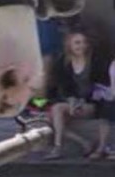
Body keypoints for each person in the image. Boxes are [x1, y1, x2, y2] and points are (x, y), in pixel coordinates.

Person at [45, 29, 112, 159]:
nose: (81, 46)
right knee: (55, 111)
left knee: (56, 117)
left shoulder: (95, 61)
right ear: (69, 45)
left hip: (92, 103)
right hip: (72, 102)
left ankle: (86, 144)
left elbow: (101, 86)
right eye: (77, 43)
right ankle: (64, 146)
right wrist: (71, 100)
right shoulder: (63, 62)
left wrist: (82, 100)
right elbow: (63, 87)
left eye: (84, 42)